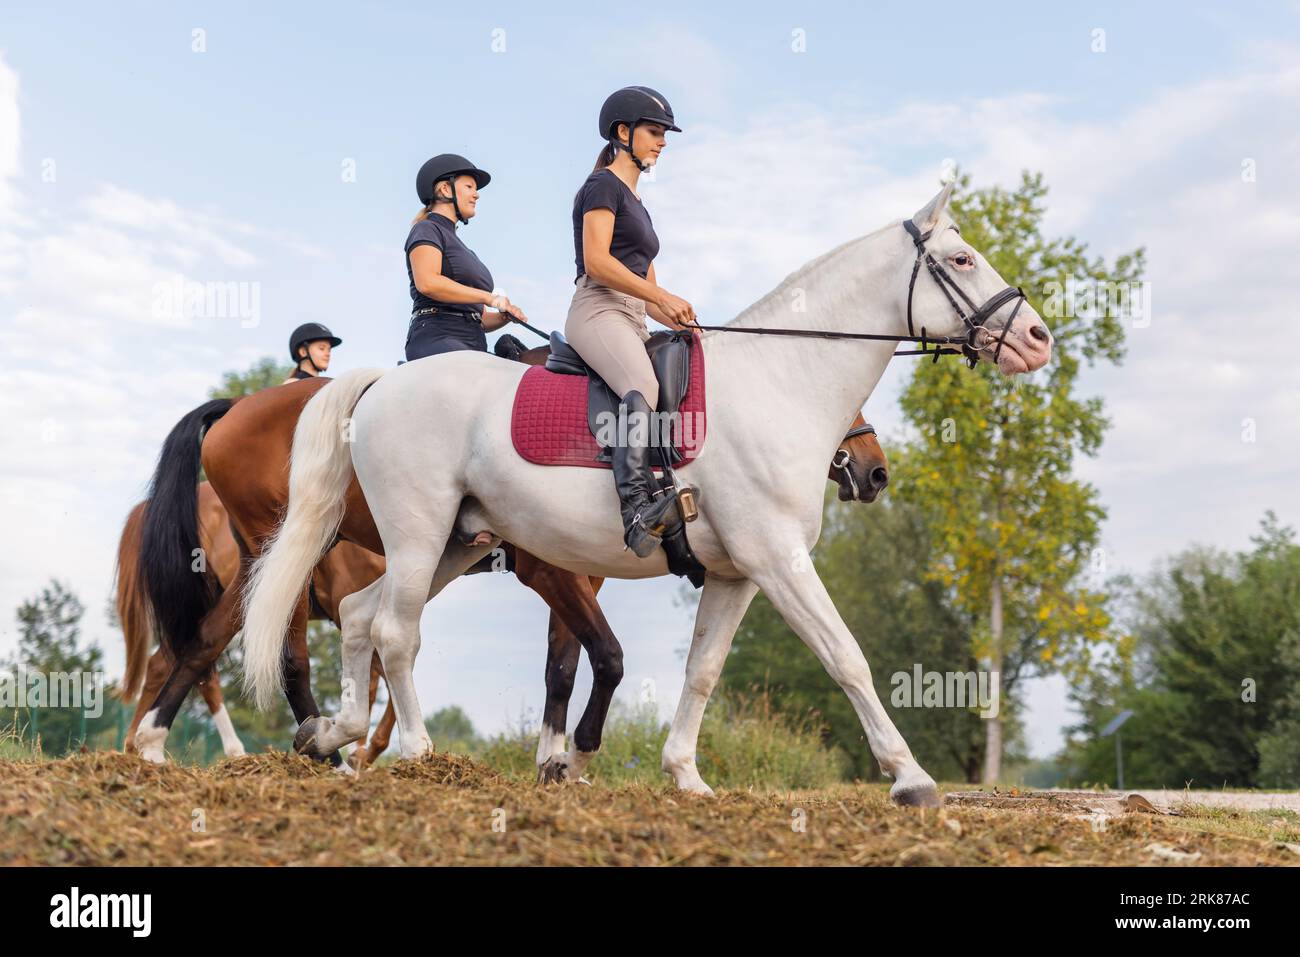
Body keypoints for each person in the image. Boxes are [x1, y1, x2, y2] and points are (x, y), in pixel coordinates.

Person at [566, 86, 697, 558]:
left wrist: (684, 322)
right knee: (644, 384)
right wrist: (660, 296)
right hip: (598, 308)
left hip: (632, 314)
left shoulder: (638, 204)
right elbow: (598, 261)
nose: (662, 142)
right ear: (624, 133)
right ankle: (636, 510)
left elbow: (650, 290)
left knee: (683, 370)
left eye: (664, 134)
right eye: (654, 132)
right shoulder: (602, 186)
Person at [405, 153, 528, 361]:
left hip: (474, 340)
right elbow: (427, 283)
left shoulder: (467, 252)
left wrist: (503, 317)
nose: (476, 195)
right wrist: (488, 297)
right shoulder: (426, 229)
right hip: (437, 336)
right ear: (445, 189)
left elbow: (479, 319)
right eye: (469, 187)